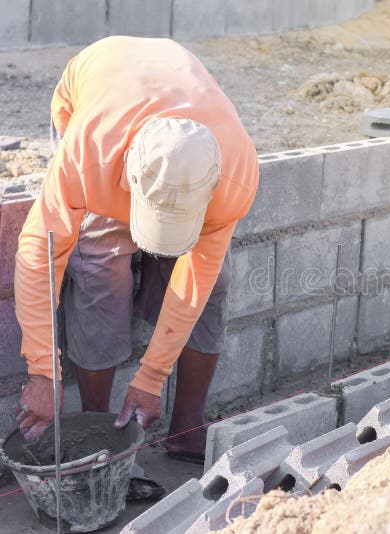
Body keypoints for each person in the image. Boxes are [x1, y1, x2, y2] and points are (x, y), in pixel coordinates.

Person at [13, 36, 258, 464]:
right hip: (100, 101)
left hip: (174, 108)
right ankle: (96, 435)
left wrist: (151, 377)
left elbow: (195, 282)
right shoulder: (89, 153)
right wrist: (42, 370)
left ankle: (186, 429)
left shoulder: (235, 176)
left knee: (214, 282)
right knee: (99, 266)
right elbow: (39, 252)